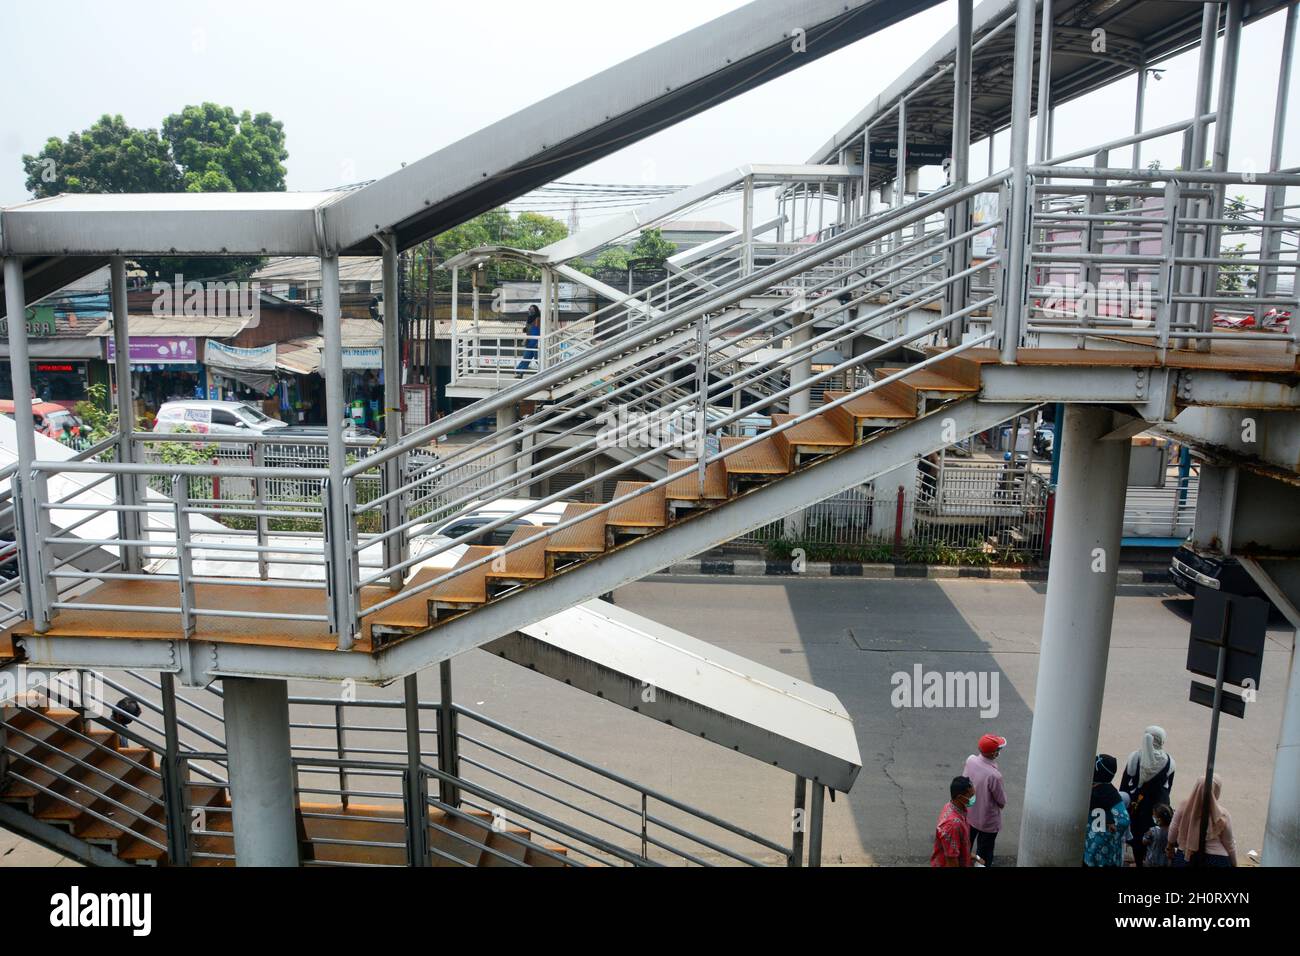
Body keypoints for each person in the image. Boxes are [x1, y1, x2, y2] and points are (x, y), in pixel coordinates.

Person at [1120, 725, 1175, 868]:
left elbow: (1125, 783)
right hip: (1157, 808)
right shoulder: (1170, 762)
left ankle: (1139, 862)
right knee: (1156, 838)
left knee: (1138, 838)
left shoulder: (1135, 757)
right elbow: (1168, 788)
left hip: (1137, 806)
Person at [1167, 775, 1237, 867]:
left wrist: (1170, 846)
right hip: (1217, 860)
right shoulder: (1222, 814)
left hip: (1187, 855)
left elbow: (1173, 831)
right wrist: (1234, 862)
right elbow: (1229, 843)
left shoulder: (1184, 806)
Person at [962, 734, 1007, 866]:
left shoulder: (970, 760)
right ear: (994, 753)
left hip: (969, 815)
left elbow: (965, 780)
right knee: (984, 853)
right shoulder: (994, 776)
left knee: (965, 847)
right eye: (999, 749)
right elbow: (1001, 801)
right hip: (987, 822)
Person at [1084, 754, 1129, 867]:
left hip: (1094, 846)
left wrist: (1104, 834)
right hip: (1102, 848)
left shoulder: (1091, 790)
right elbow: (1123, 820)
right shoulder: (1110, 792)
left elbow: (1123, 820)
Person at [931, 775, 982, 867]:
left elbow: (958, 845)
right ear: (959, 797)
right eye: (971, 796)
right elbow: (951, 860)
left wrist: (974, 857)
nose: (973, 798)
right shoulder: (953, 826)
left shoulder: (952, 806)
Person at [516, 304, 541, 372]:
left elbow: (537, 330)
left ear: (535, 310)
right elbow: (528, 328)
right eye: (529, 309)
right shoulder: (529, 319)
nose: (530, 311)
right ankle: (519, 372)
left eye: (532, 309)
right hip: (530, 341)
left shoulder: (537, 318)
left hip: (536, 341)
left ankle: (546, 371)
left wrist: (537, 342)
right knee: (526, 358)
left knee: (538, 358)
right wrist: (525, 329)